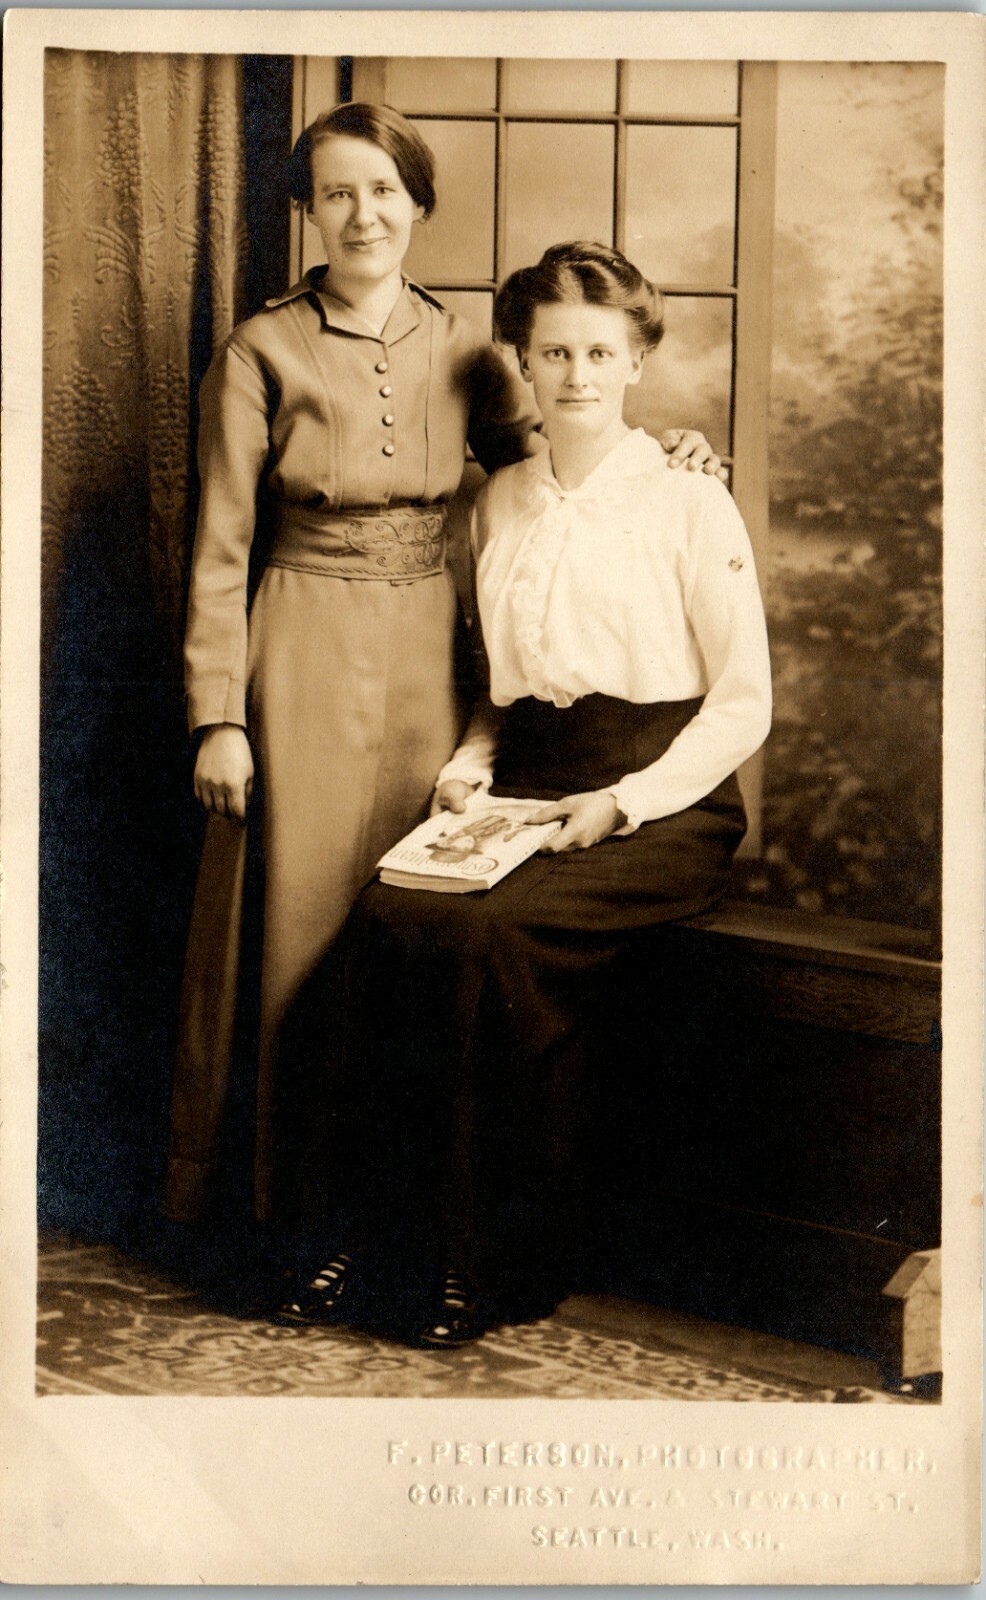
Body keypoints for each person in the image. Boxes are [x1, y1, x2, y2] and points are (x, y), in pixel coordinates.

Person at [164, 107, 722, 1231]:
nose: (362, 214)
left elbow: (559, 456)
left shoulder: (466, 348)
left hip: (430, 652)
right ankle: (281, 1216)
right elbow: (219, 548)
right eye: (335, 193)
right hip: (300, 644)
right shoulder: (259, 349)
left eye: (384, 190)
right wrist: (216, 716)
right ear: (307, 211)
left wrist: (668, 450)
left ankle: (389, 1217)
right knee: (297, 923)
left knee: (408, 923)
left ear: (418, 202)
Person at [276, 241, 772, 1347]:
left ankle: (483, 1258)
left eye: (600, 350)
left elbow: (741, 707)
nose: (577, 374)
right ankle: (363, 1240)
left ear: (637, 358)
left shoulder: (690, 505)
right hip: (529, 786)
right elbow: (502, 691)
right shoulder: (497, 501)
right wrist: (466, 773)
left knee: (489, 940)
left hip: (663, 803)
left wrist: (625, 802)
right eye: (553, 351)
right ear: (522, 361)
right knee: (390, 917)